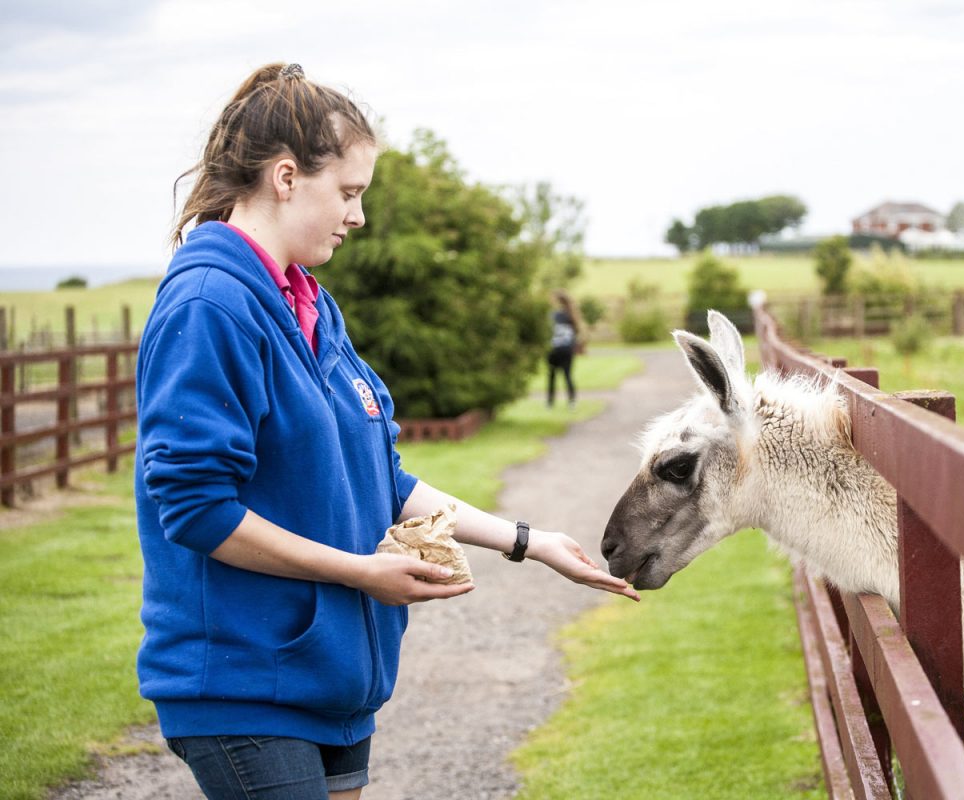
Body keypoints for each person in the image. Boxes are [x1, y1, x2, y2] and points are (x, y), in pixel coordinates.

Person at [135, 63, 638, 800]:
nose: (358, 216)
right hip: (244, 683)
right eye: (347, 193)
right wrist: (360, 572)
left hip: (331, 682)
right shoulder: (209, 305)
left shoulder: (312, 306)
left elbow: (383, 478)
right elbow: (198, 510)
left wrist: (528, 542)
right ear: (284, 177)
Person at [546, 290, 583, 407]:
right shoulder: (572, 316)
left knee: (552, 375)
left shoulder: (553, 315)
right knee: (567, 375)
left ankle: (550, 402)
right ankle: (572, 401)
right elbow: (576, 334)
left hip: (554, 348)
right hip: (567, 349)